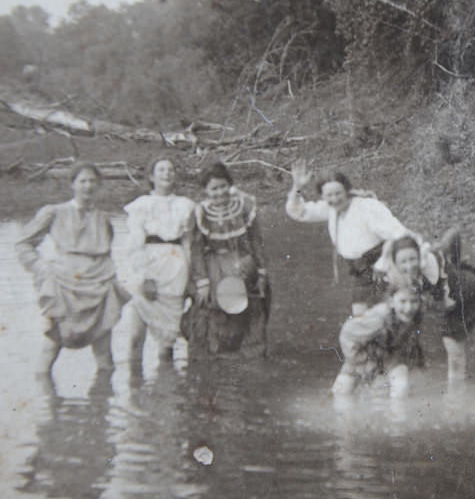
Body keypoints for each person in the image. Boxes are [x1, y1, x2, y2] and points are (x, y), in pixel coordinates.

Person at [15, 162, 129, 371]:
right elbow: (23, 243)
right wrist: (41, 268)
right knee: (51, 347)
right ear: (73, 185)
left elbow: (107, 252)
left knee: (105, 356)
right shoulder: (55, 212)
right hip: (65, 287)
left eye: (92, 181)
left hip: (99, 287)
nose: (88, 186)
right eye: (82, 181)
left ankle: (102, 400)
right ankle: (48, 399)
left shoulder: (103, 218)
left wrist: (110, 278)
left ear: (99, 185)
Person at [376, 231, 475, 380]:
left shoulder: (431, 261)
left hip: (470, 288)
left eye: (412, 259)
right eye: (403, 261)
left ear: (419, 256)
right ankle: (456, 396)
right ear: (395, 262)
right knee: (454, 352)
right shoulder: (394, 276)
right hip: (452, 303)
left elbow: (454, 233)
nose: (409, 265)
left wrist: (454, 264)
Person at [285, 159, 424, 316]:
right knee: (360, 318)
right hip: (361, 271)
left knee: (394, 314)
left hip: (383, 267)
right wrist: (297, 187)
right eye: (329, 195)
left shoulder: (365, 207)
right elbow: (298, 212)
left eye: (338, 193)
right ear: (323, 196)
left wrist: (383, 263)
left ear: (346, 191)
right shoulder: (330, 209)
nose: (335, 199)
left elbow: (398, 234)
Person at [183, 162, 270, 357]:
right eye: (214, 188)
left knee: (252, 303)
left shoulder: (245, 206)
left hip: (242, 260)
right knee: (211, 308)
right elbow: (196, 250)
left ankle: (251, 351)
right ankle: (215, 353)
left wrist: (261, 270)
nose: (220, 192)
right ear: (206, 190)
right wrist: (202, 281)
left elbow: (256, 241)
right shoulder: (200, 213)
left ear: (230, 184)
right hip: (215, 265)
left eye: (223, 186)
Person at [122, 156, 196, 364]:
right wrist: (144, 277)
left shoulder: (186, 205)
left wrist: (190, 277)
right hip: (148, 267)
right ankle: (134, 387)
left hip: (176, 270)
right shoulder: (141, 205)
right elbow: (134, 246)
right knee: (136, 334)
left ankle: (166, 386)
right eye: (161, 170)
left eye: (170, 170)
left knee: (168, 338)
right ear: (151, 176)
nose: (166, 174)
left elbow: (188, 243)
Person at [332, 283, 424, 397]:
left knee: (401, 387)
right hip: (363, 357)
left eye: (414, 301)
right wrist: (361, 360)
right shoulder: (379, 317)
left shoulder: (416, 316)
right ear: (391, 302)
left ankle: (398, 412)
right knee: (341, 394)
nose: (409, 308)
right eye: (403, 301)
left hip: (390, 357)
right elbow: (347, 334)